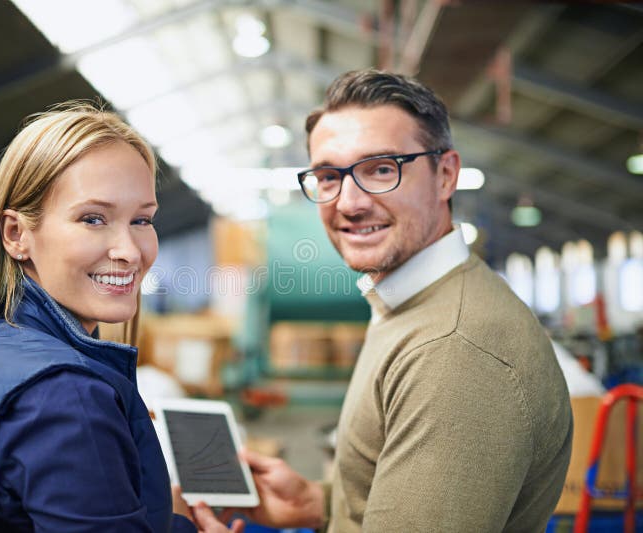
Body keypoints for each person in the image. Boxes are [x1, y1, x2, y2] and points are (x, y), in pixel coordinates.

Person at [232, 70, 573, 531]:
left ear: (445, 175)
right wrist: (320, 502)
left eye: (381, 169)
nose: (349, 203)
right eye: (329, 176)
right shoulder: (408, 305)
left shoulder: (455, 351)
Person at [0, 102, 243, 533]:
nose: (130, 251)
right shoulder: (67, 394)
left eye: (141, 220)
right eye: (93, 219)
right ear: (17, 234)